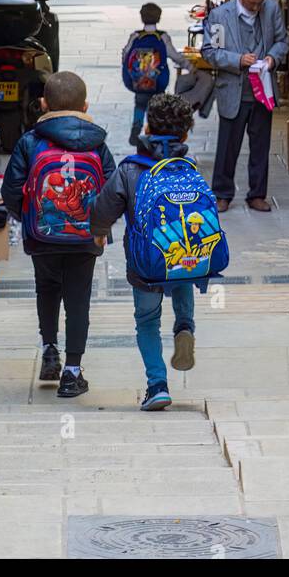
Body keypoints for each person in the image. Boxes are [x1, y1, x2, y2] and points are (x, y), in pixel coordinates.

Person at [1, 71, 115, 399]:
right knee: (78, 298)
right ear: (85, 106)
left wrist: (28, 218)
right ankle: (72, 372)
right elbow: (112, 190)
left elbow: (11, 190)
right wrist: (100, 227)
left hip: (43, 236)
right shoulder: (98, 143)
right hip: (86, 238)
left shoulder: (30, 141)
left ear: (42, 104)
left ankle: (50, 351)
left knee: (47, 288)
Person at [90, 94, 199, 412]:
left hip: (145, 264)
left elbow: (104, 208)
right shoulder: (188, 166)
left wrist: (99, 232)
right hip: (183, 257)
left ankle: (157, 386)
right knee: (183, 276)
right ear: (185, 135)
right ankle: (184, 327)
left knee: (148, 321)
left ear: (147, 128)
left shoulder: (130, 169)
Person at [202, 0, 289, 213]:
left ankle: (257, 194)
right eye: (252, 2)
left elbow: (282, 41)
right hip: (234, 92)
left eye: (260, 2)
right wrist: (238, 60)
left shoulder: (271, 9)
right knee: (227, 146)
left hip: (263, 91)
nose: (256, 7)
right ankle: (222, 194)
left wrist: (272, 58)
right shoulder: (220, 16)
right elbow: (210, 52)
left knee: (261, 146)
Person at [122, 2, 191, 145]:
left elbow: (125, 56)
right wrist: (190, 66)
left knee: (139, 105)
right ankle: (154, 131)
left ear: (141, 17)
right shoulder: (163, 37)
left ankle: (136, 129)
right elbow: (174, 56)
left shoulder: (135, 36)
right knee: (157, 107)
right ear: (159, 18)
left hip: (139, 82)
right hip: (158, 82)